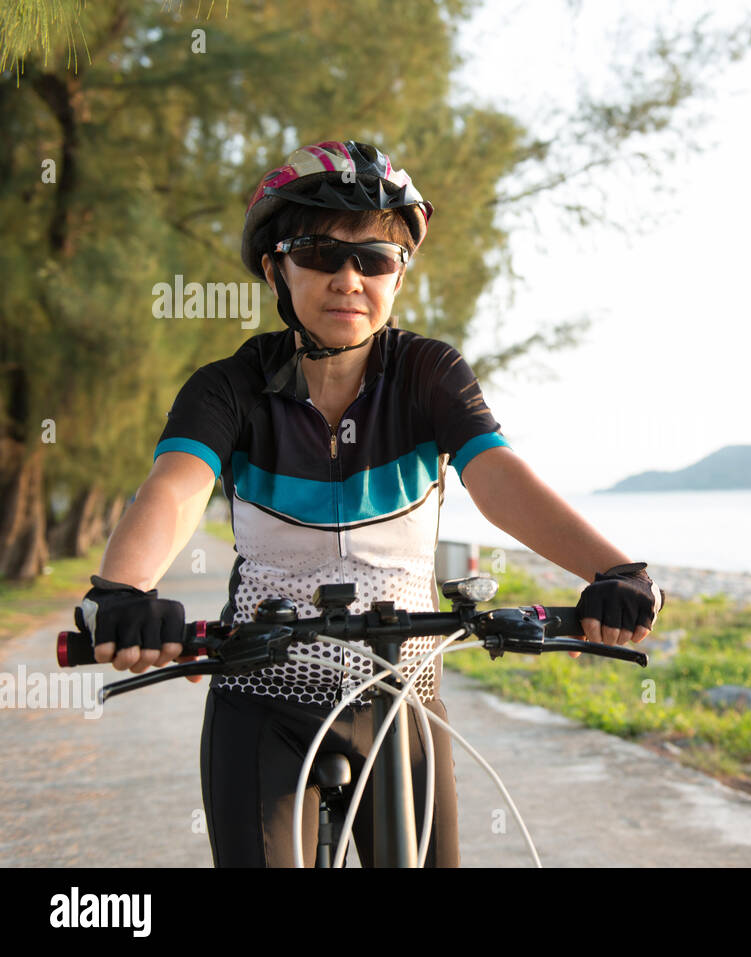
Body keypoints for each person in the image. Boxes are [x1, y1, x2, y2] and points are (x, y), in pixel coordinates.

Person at [72, 139, 665, 867]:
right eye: (320, 253)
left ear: (398, 275)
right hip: (264, 694)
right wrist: (124, 589)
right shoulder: (228, 387)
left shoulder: (429, 373)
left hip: (403, 695)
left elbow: (500, 478)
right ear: (275, 268)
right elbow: (177, 485)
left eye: (375, 259)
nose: (348, 279)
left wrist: (615, 570)